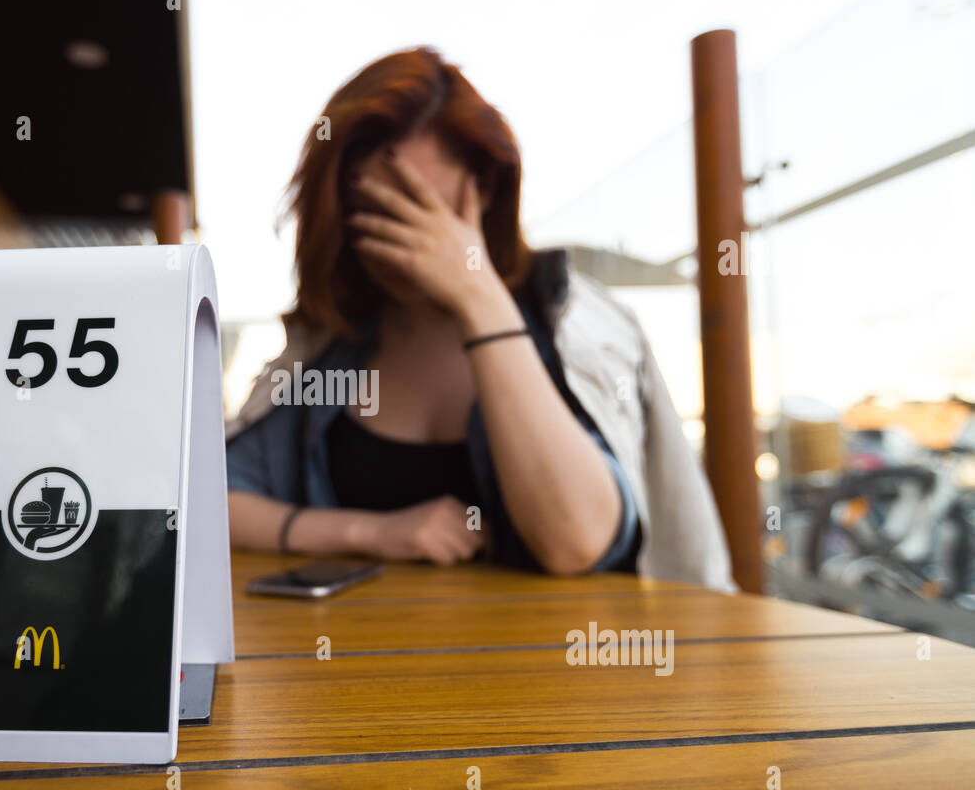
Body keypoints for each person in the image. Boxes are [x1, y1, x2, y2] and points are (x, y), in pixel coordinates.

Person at [225, 46, 734, 589]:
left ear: (485, 189)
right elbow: (215, 501)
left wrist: (477, 294)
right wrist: (370, 531)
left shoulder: (570, 329)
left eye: (425, 210)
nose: (408, 245)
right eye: (379, 216)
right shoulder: (333, 349)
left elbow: (577, 540)